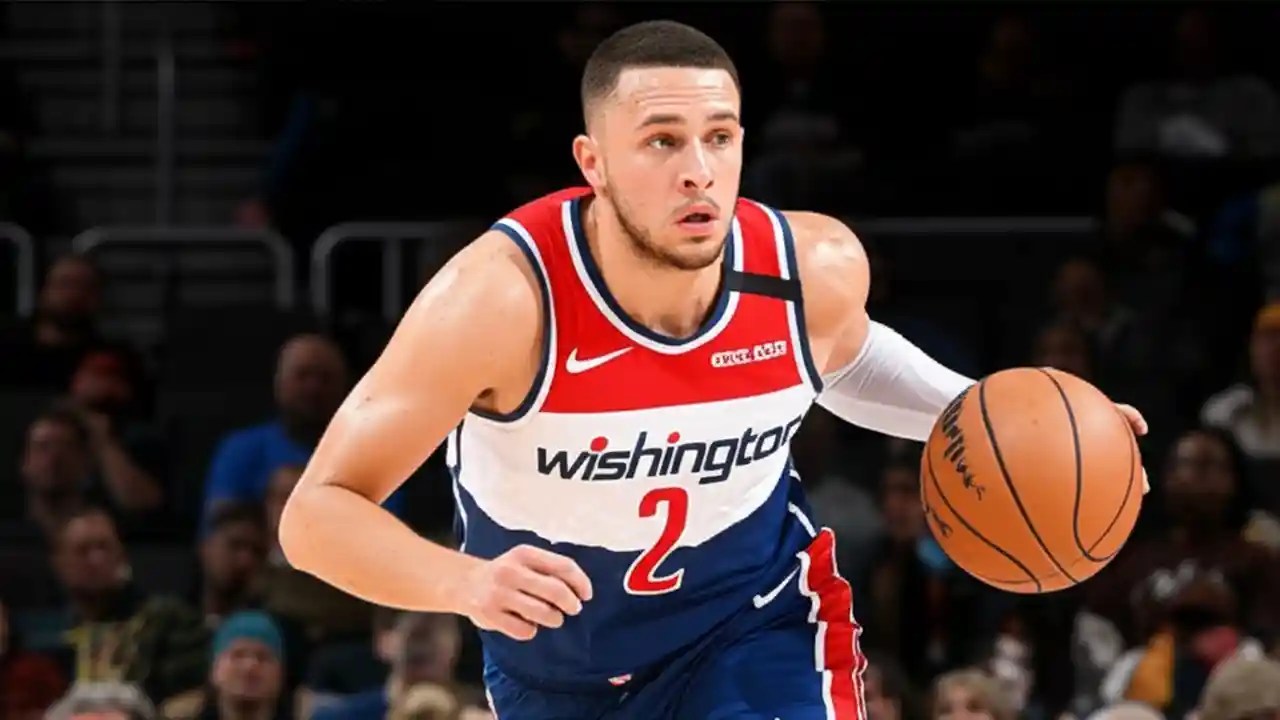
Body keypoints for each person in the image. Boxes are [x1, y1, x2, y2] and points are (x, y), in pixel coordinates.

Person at [279, 20, 1148, 719]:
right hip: (557, 673)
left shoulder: (812, 266)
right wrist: (464, 581)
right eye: (661, 141)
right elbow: (315, 519)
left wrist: (1020, 426)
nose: (698, 172)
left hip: (752, 621)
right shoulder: (502, 303)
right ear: (593, 163)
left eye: (719, 137)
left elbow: (842, 359)